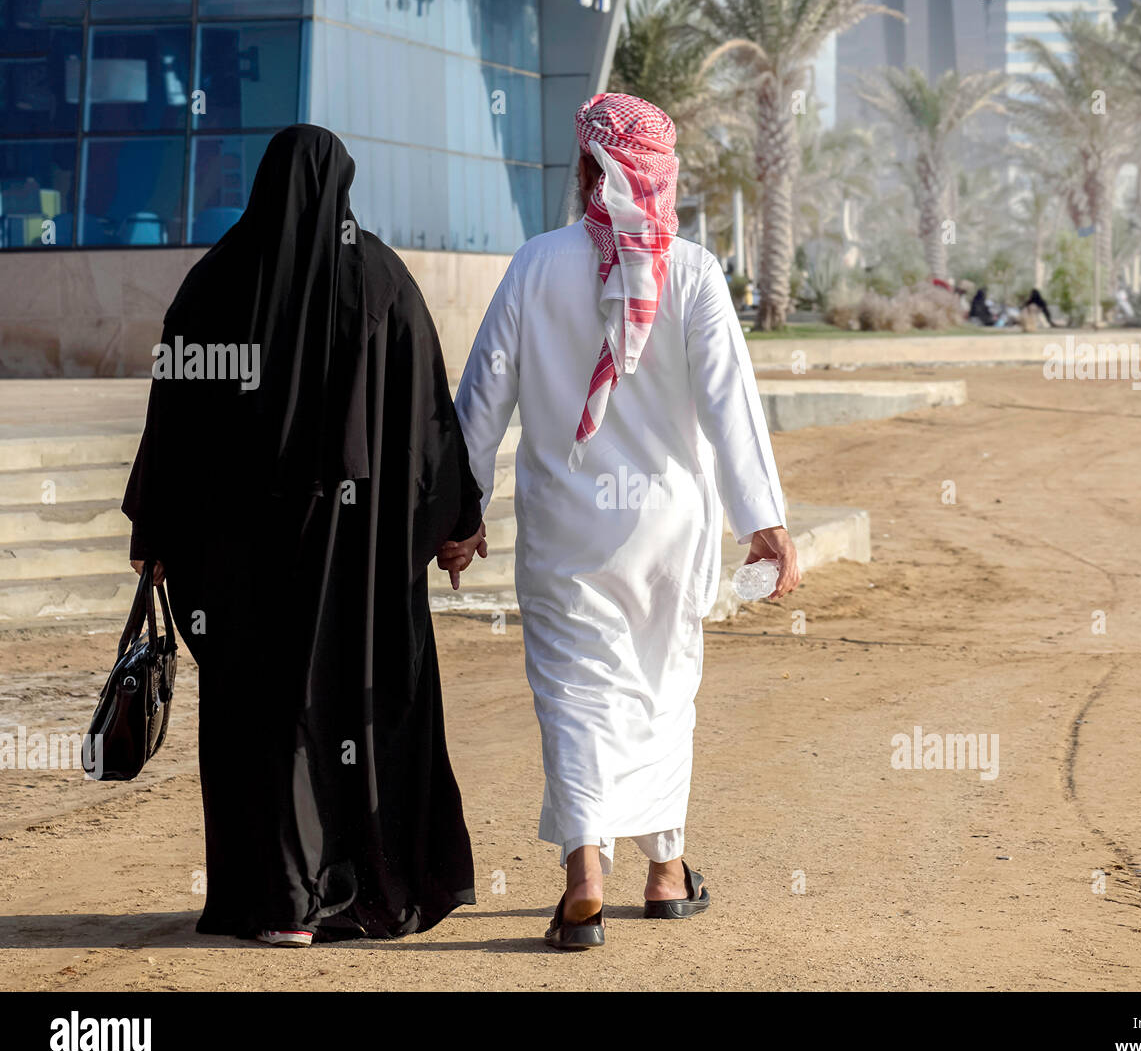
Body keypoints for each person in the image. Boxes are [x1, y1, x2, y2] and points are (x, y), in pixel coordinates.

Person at [441, 93, 799, 950]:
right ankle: (666, 873)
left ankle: (584, 877)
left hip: (566, 528)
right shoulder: (697, 272)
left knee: (574, 696)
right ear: (660, 173)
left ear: (587, 171)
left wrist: (459, 510)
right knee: (662, 690)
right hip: (670, 528)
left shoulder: (534, 263)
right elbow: (731, 410)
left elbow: (481, 396)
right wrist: (766, 522)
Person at [122, 125, 482, 947]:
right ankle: (357, 891)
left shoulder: (214, 283)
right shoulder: (383, 281)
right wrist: (457, 521)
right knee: (349, 705)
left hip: (242, 562)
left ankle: (278, 900)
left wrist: (157, 527)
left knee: (260, 713)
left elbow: (172, 419)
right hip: (353, 569)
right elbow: (430, 423)